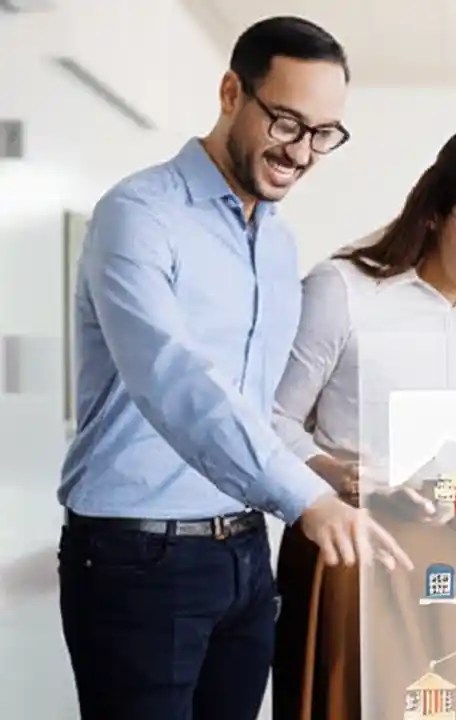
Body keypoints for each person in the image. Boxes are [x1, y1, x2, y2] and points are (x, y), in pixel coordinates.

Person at [56, 16, 410, 720]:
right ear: (230, 94)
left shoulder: (277, 247)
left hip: (245, 553)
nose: (302, 151)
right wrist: (305, 498)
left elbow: (254, 409)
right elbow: (173, 379)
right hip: (137, 560)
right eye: (286, 121)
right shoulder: (139, 215)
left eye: (323, 134)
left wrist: (323, 469)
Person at [271, 126, 456, 719]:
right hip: (354, 547)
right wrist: (335, 472)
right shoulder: (342, 290)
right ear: (434, 214)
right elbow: (270, 421)